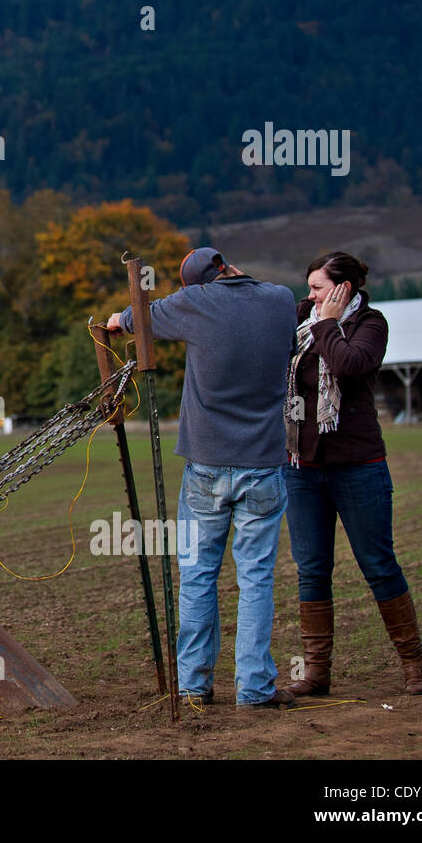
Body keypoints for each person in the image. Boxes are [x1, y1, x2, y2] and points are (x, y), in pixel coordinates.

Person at [107, 248, 298, 710]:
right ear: (228, 265)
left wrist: (117, 319)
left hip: (206, 466)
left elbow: (137, 318)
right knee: (256, 579)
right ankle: (253, 689)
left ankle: (194, 685)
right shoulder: (281, 299)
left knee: (196, 577)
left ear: (198, 286)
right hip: (263, 463)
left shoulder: (194, 304)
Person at [282, 252, 422, 697]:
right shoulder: (299, 319)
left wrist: (327, 323)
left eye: (317, 288)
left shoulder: (372, 323)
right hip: (302, 468)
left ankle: (413, 663)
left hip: (358, 465)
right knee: (311, 570)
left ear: (343, 289)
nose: (309, 296)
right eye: (308, 288)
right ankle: (317, 673)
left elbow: (349, 364)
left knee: (378, 565)